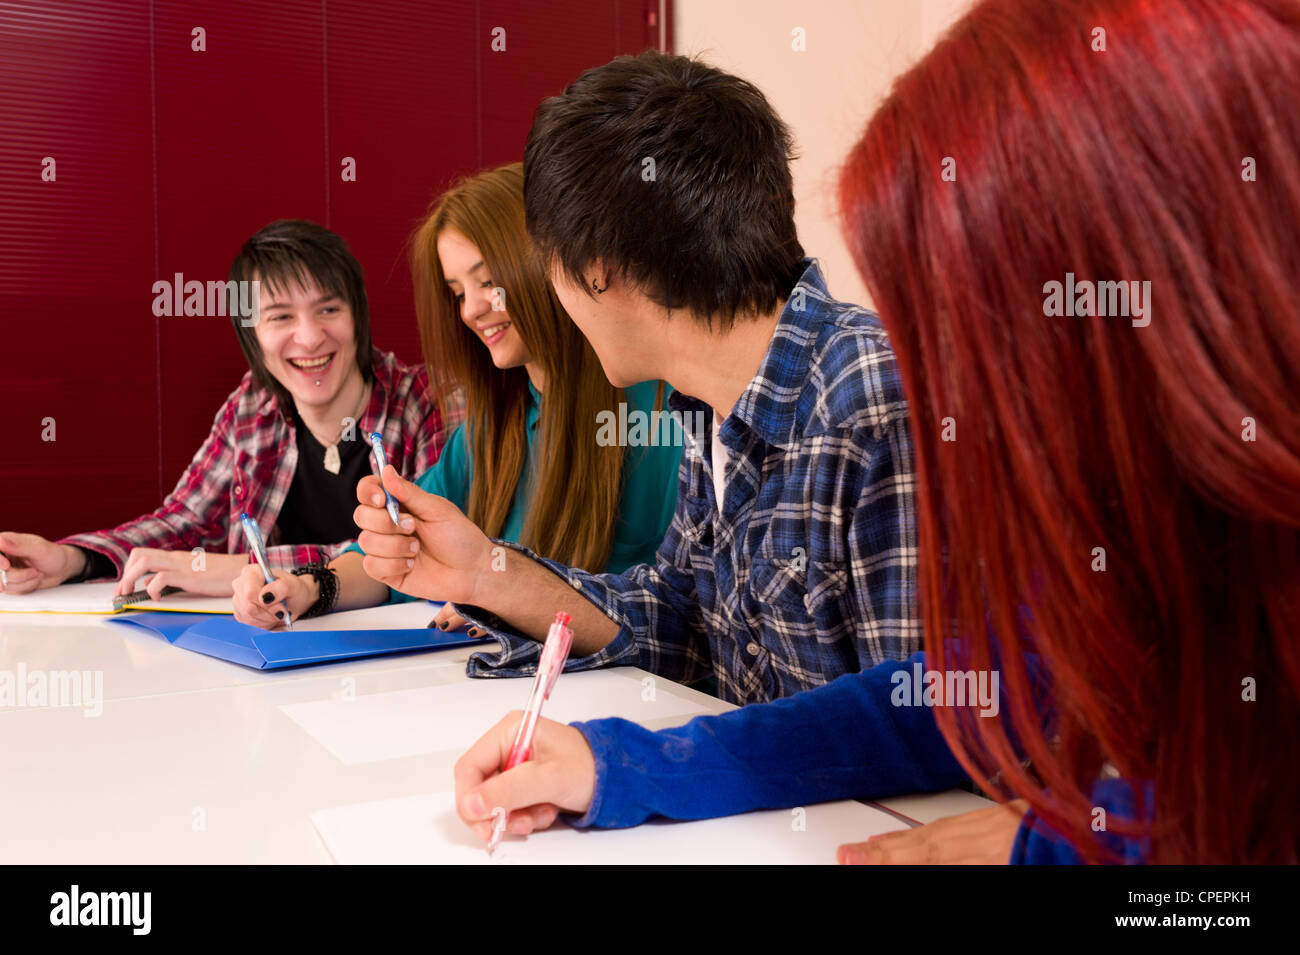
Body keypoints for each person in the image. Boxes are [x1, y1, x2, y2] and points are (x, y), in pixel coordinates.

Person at [447, 0, 1300, 864]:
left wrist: (1071, 846)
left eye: (975, 309)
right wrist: (630, 762)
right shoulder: (1166, 521)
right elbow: (975, 693)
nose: (948, 368)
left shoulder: (880, 397)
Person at [350, 51, 920, 704]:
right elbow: (681, 621)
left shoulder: (872, 401)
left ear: (597, 269)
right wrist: (487, 570)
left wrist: (636, 766)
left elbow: (913, 723)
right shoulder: (705, 406)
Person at [230, 164, 682, 630]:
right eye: (457, 292)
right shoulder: (491, 428)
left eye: (487, 282)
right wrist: (310, 587)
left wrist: (503, 601)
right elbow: (389, 558)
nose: (470, 310)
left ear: (549, 262)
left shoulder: (659, 415)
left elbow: (678, 615)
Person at [0, 220, 444, 603]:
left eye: (328, 309)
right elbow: (186, 521)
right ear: (251, 336)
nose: (309, 338)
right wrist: (74, 559)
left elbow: (422, 551)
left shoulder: (426, 400)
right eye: (280, 317)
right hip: (275, 650)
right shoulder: (253, 406)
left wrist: (235, 569)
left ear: (358, 317)